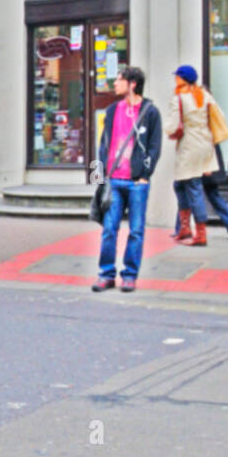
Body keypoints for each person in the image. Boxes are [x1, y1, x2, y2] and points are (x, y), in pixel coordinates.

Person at [92, 66, 162, 293]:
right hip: (113, 180)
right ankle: (106, 274)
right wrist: (101, 173)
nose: (114, 83)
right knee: (109, 230)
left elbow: (154, 147)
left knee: (136, 231)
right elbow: (104, 143)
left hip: (136, 182)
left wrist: (144, 175)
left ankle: (129, 275)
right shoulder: (112, 110)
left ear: (132, 84)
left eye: (119, 80)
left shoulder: (150, 112)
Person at [166, 65, 221, 247]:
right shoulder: (204, 94)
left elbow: (172, 126)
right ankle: (184, 228)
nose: (175, 79)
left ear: (183, 79)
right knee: (180, 184)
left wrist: (169, 131)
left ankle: (200, 233)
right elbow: (218, 115)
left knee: (193, 186)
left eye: (177, 76)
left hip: (189, 145)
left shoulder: (179, 98)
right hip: (205, 144)